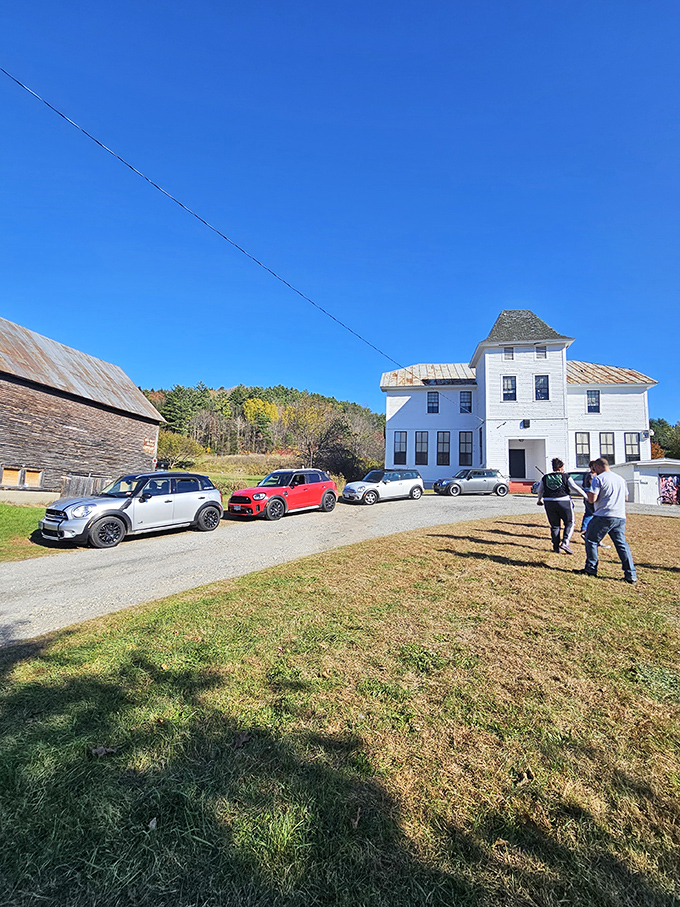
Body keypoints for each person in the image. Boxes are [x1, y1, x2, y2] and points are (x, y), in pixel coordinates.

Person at [576, 458, 637, 584]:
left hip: (604, 515)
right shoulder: (620, 479)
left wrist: (587, 496)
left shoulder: (598, 479)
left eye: (593, 469)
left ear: (597, 467)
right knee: (621, 545)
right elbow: (625, 497)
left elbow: (592, 499)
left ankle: (591, 569)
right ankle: (631, 574)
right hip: (620, 516)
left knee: (591, 539)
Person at [536, 457, 587, 555]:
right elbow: (574, 487)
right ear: (561, 468)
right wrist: (586, 496)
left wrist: (539, 500)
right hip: (564, 501)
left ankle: (555, 546)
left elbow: (540, 490)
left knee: (555, 525)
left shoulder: (545, 477)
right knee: (570, 522)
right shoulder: (565, 476)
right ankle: (565, 542)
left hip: (549, 502)